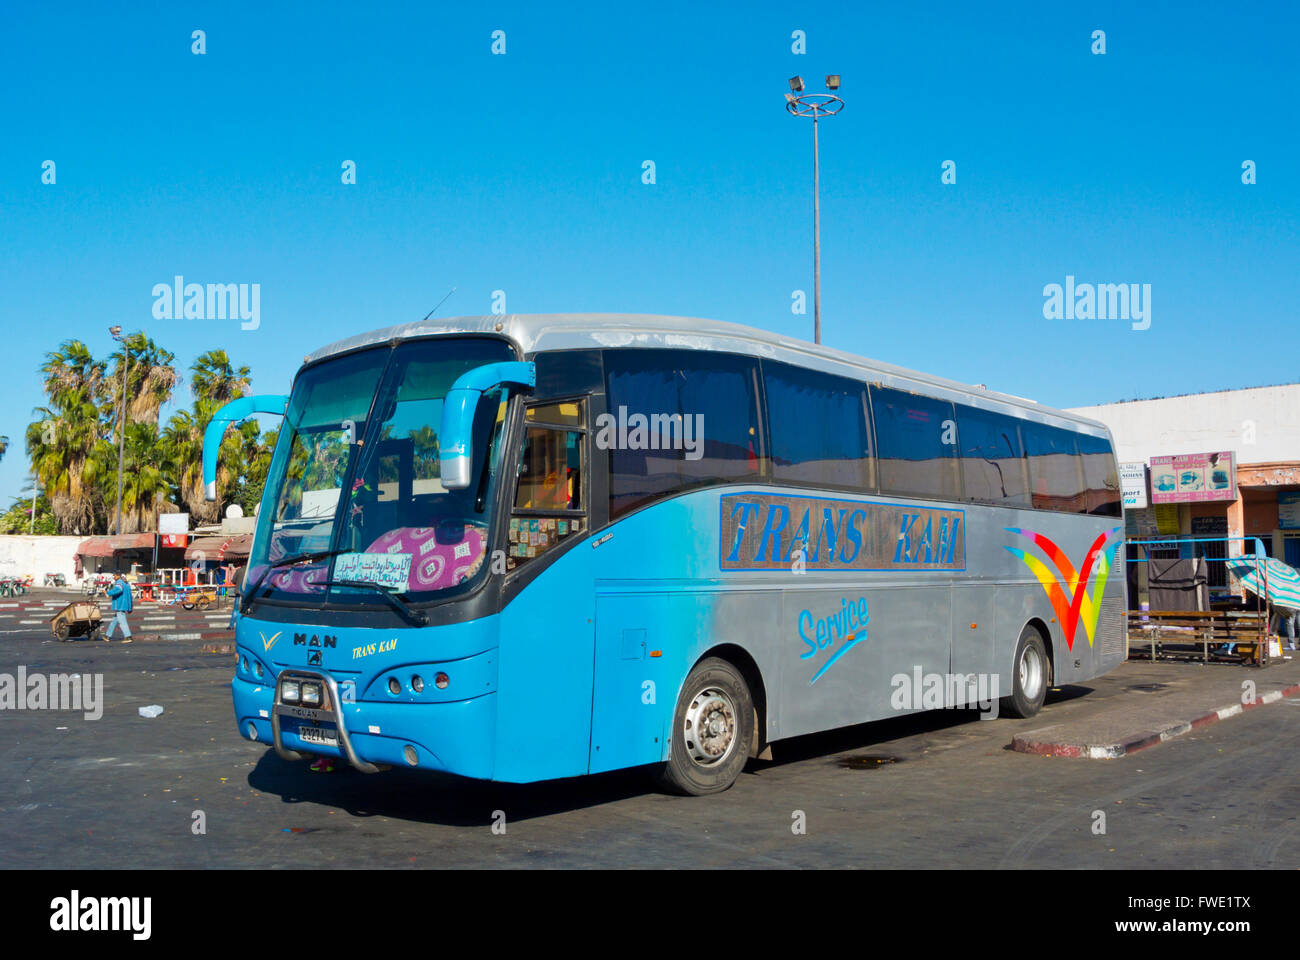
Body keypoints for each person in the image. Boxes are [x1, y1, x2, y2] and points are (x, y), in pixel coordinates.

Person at [103, 573, 134, 644]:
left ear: (118, 576)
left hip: (120, 604)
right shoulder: (126, 583)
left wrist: (108, 592)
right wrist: (130, 606)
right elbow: (130, 595)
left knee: (122, 621)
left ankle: (128, 636)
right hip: (125, 604)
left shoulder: (119, 582)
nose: (113, 577)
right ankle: (107, 635)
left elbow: (118, 590)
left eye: (114, 575)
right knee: (114, 620)